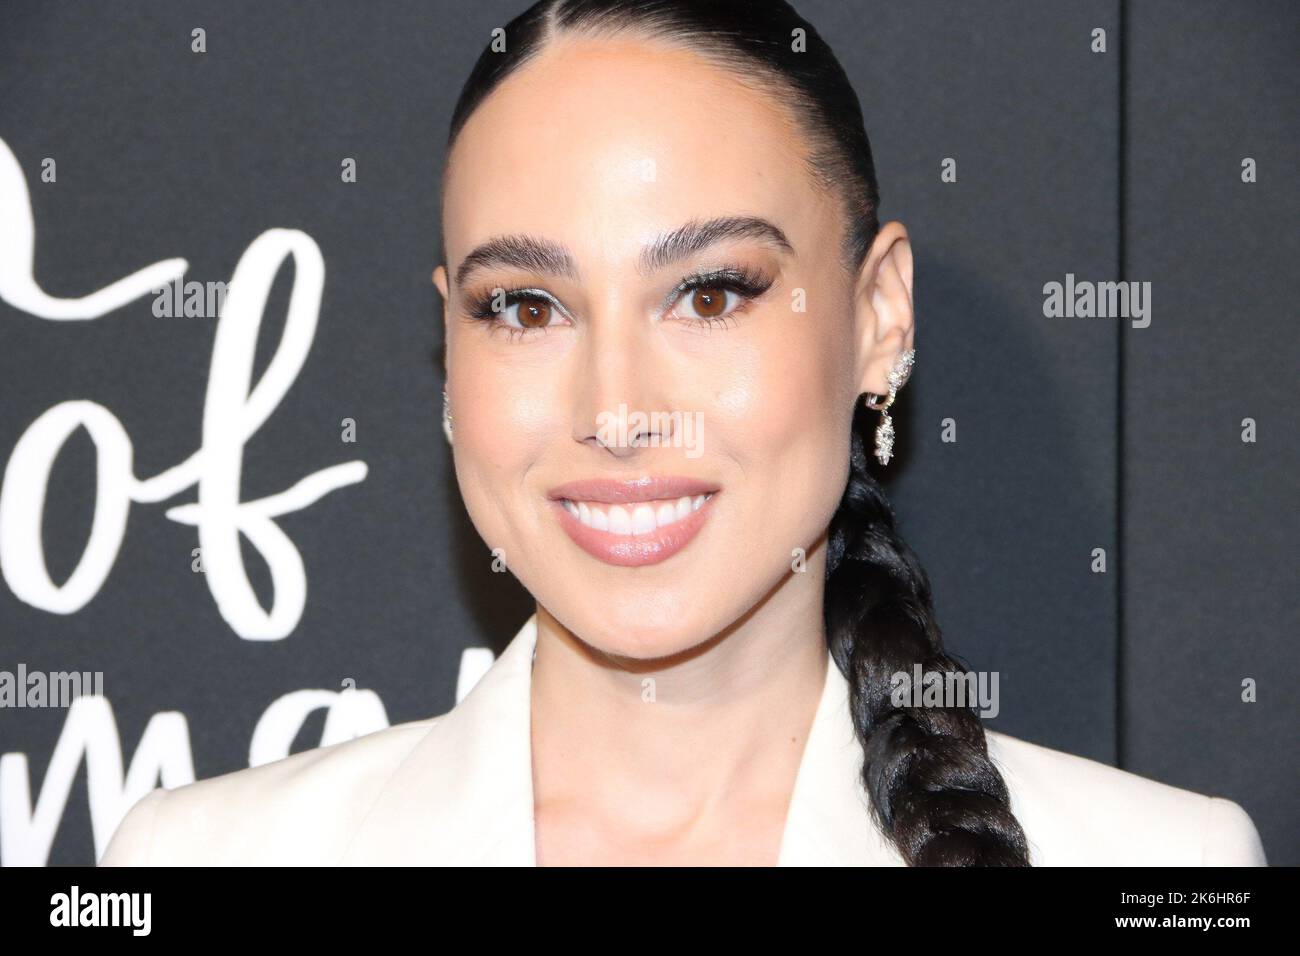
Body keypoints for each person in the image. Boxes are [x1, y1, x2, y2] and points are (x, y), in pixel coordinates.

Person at [100, 0, 1267, 867]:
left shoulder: (1164, 865)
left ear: (876, 315)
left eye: (710, 293)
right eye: (525, 304)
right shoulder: (199, 855)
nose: (616, 409)